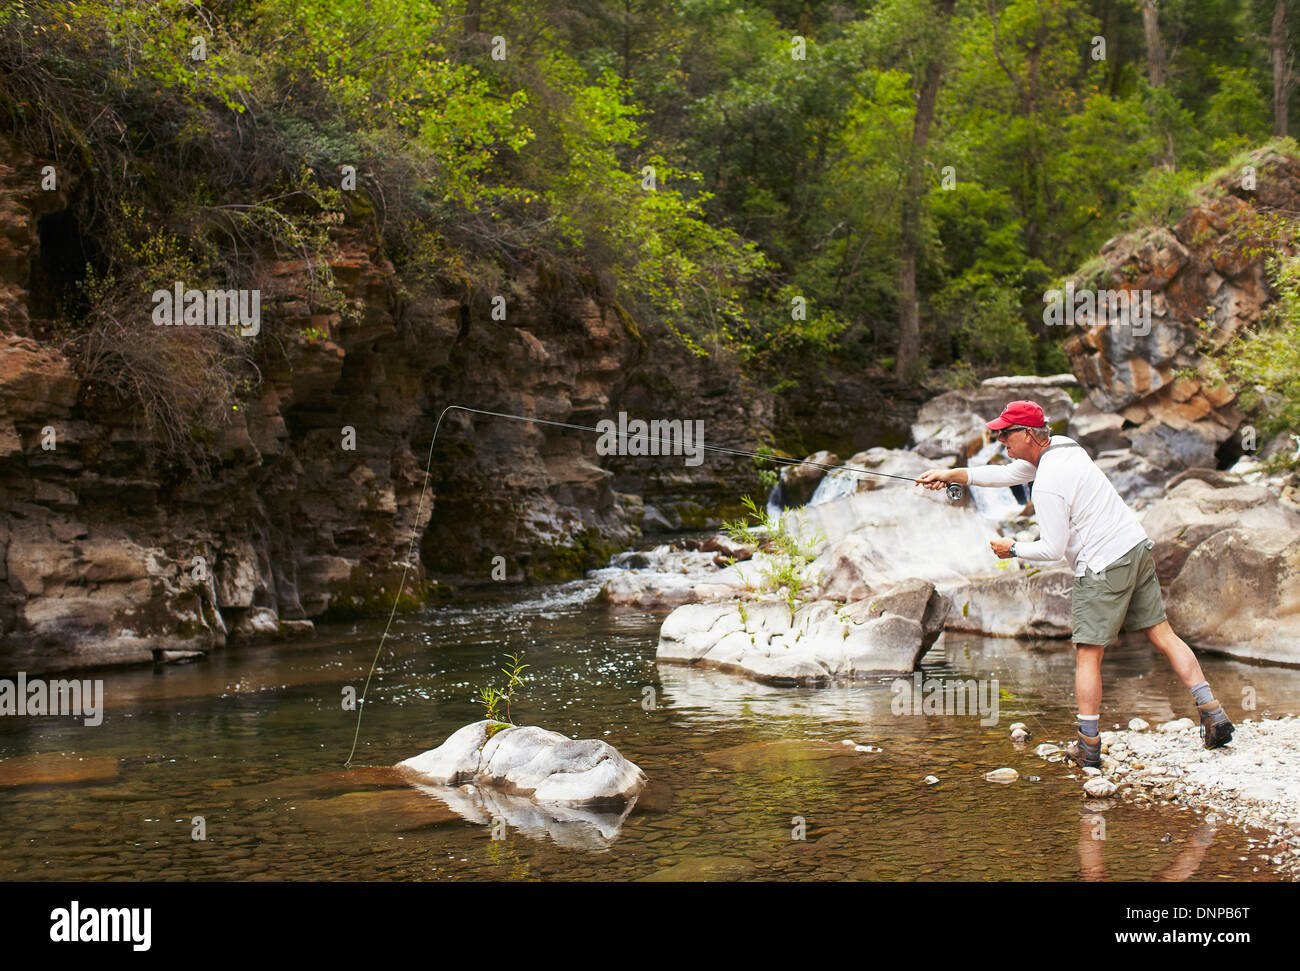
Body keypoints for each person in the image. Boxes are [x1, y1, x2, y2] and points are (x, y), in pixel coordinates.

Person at [914, 399, 1233, 768]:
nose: (1001, 440)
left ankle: (1088, 744)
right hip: (1134, 546)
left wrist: (1012, 548)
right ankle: (1214, 714)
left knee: (1087, 655)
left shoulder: (1047, 485)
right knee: (1162, 633)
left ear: (1029, 434)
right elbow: (1008, 474)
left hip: (1102, 565)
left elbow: (1052, 548)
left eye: (1006, 434)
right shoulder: (1064, 445)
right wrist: (952, 473)